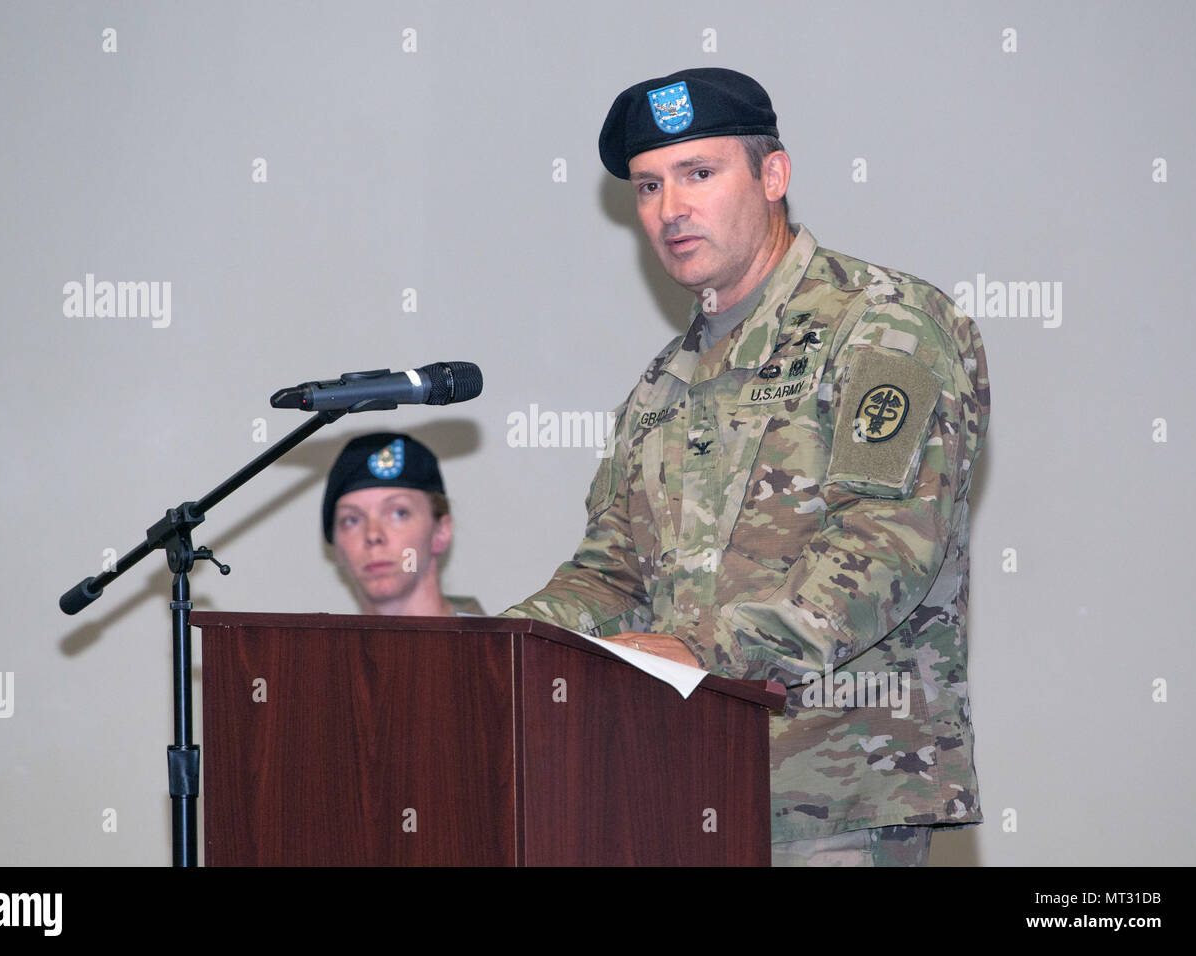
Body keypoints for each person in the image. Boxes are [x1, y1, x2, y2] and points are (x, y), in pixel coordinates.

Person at [503, 68, 990, 866]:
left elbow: (884, 545)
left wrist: (703, 651)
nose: (671, 210)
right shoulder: (663, 383)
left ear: (773, 176)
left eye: (700, 174)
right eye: (649, 186)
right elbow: (612, 576)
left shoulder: (882, 324)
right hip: (669, 789)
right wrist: (502, 649)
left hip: (830, 800)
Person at [323, 432, 483, 617]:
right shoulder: (315, 645)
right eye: (352, 520)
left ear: (441, 531)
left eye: (399, 513)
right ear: (338, 547)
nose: (373, 535)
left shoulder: (502, 644)